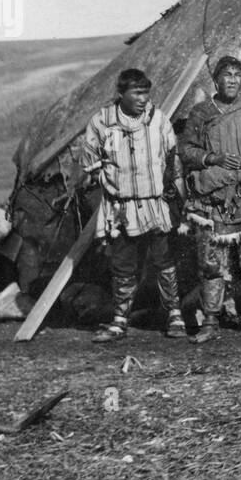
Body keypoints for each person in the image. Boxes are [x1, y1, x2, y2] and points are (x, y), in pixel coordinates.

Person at [178, 56, 241, 342]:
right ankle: (210, 321)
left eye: (238, 74)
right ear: (216, 80)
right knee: (211, 262)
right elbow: (186, 150)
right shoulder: (201, 113)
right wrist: (212, 157)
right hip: (212, 199)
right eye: (227, 74)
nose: (233, 80)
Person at [80, 68, 185, 342]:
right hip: (120, 208)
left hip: (155, 204)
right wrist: (108, 181)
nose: (142, 99)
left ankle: (174, 314)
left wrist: (179, 202)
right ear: (121, 94)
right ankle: (119, 320)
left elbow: (173, 162)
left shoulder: (159, 121)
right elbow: (88, 166)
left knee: (164, 261)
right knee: (123, 265)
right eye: (136, 93)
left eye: (145, 93)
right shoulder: (101, 123)